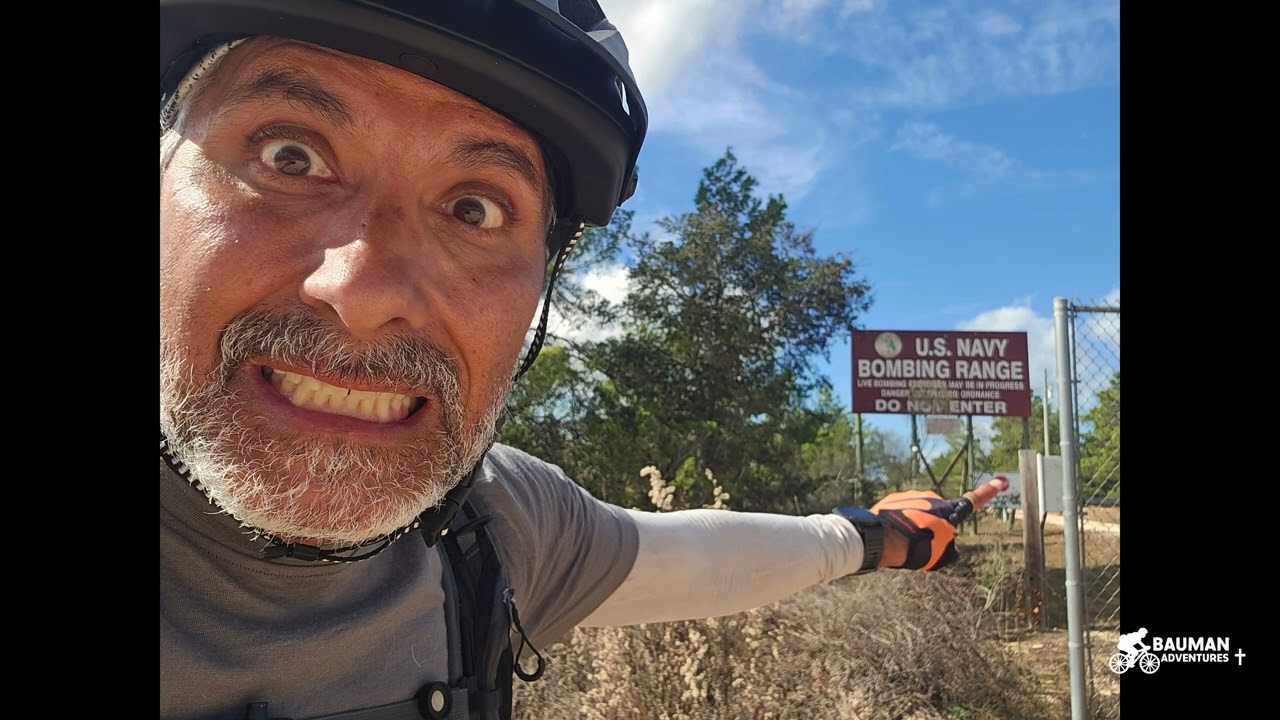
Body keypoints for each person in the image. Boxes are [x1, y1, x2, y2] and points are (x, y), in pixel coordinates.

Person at [159, 2, 1001, 719]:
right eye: (289, 157)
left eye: (474, 207)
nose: (365, 288)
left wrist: (882, 537)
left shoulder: (488, 529)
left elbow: (688, 559)